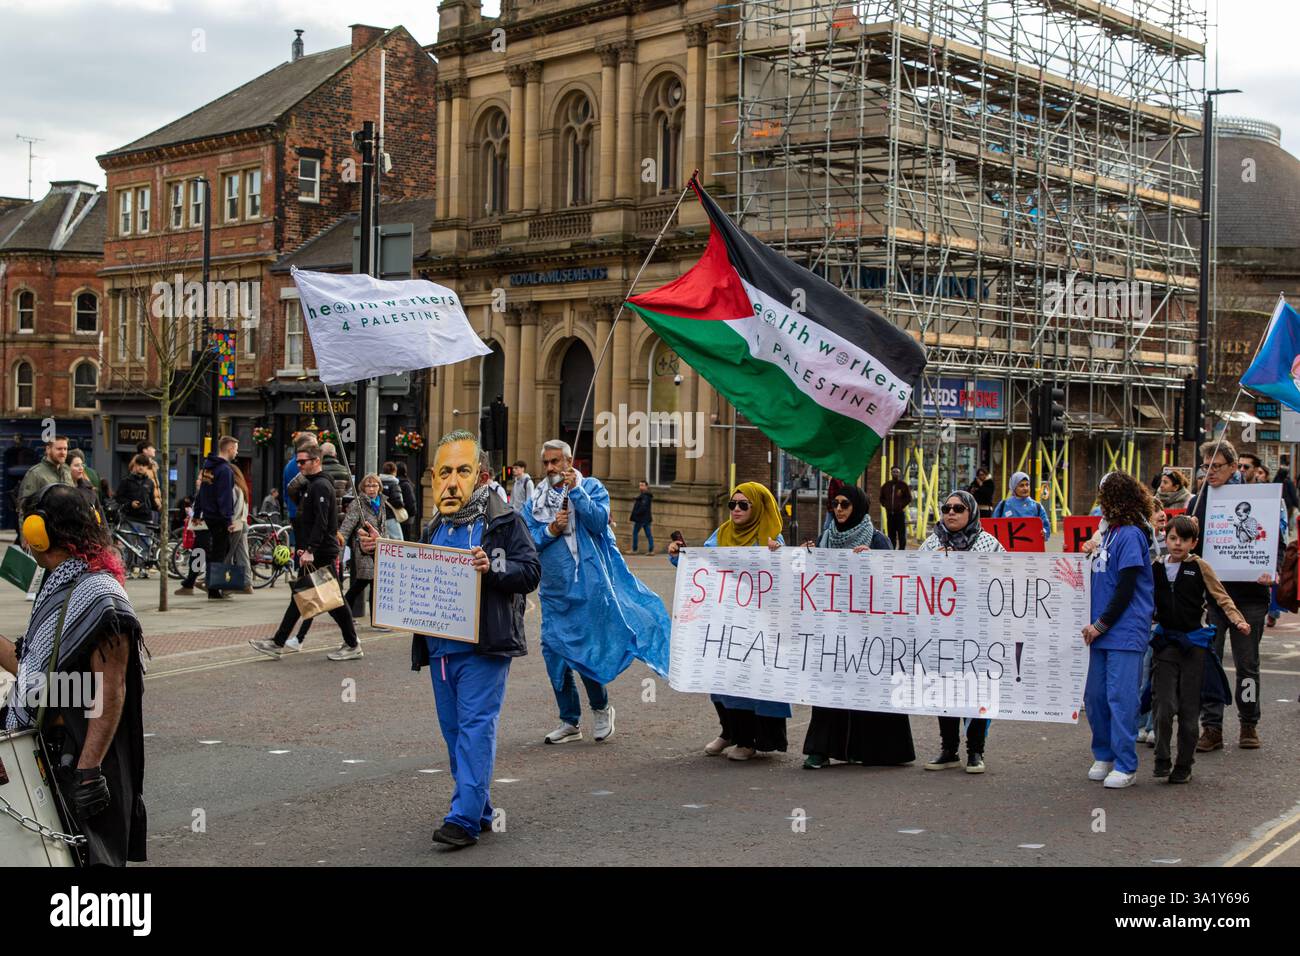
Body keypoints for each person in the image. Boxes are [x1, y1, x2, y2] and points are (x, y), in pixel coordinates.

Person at [354, 430, 540, 848]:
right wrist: (378, 548)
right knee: (455, 732)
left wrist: (492, 568)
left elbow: (530, 572)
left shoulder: (504, 521)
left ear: (482, 475)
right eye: (444, 473)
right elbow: (416, 572)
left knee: (475, 728)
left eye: (462, 471)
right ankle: (482, 808)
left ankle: (463, 819)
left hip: (484, 646)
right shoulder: (436, 524)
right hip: (440, 648)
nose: (451, 482)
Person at [0, 483, 147, 865]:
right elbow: (38, 672)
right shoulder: (60, 583)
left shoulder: (100, 595)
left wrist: (87, 769)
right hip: (44, 749)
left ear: (40, 532)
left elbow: (110, 688)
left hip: (74, 754)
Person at [523, 439, 671, 745]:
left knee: (584, 653)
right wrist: (551, 530)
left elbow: (599, 521)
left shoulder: (590, 487)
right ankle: (569, 721)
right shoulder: (534, 501)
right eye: (546, 463)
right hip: (553, 593)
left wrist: (576, 491)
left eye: (555, 462)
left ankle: (601, 708)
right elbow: (528, 543)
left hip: (589, 589)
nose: (550, 468)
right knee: (554, 655)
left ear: (568, 460)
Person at [668, 481, 791, 760]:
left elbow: (785, 577)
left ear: (758, 507)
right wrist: (680, 556)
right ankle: (729, 732)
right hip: (724, 621)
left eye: (743, 505)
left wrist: (777, 557)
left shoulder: (771, 540)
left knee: (751, 682)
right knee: (721, 679)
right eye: (732, 504)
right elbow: (703, 565)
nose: (735, 509)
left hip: (757, 625)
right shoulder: (722, 533)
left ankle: (750, 741)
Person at [799, 485, 915, 770]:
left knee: (869, 687)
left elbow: (894, 584)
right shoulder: (825, 539)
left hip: (869, 632)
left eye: (845, 505)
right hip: (832, 630)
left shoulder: (877, 541)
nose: (838, 509)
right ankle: (821, 749)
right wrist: (797, 558)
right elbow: (804, 581)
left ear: (858, 508)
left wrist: (873, 564)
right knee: (828, 688)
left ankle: (873, 749)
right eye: (835, 504)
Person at [1186, 439, 1273, 752]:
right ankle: (1212, 727)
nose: (1210, 472)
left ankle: (1249, 723)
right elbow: (1182, 545)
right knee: (1210, 663)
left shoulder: (1258, 498)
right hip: (1213, 596)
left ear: (1234, 467)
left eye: (1217, 466)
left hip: (1250, 596)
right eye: (1206, 466)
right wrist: (1189, 531)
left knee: (1247, 666)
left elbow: (1272, 544)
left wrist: (1270, 570)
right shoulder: (1198, 502)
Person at [1150, 515, 1247, 783]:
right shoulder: (1155, 567)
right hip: (1166, 644)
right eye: (1172, 538)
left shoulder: (1200, 567)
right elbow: (1142, 600)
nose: (1177, 543)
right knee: (1164, 707)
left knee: (1190, 712)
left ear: (1194, 542)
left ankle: (1184, 765)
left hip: (1194, 645)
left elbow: (1221, 597)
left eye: (1183, 539)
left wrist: (1237, 619)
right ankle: (1161, 757)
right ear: (1165, 539)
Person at [917, 489, 1005, 773]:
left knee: (977, 689)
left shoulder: (989, 545)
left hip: (979, 632)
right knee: (945, 688)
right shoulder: (931, 545)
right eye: (946, 508)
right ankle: (949, 748)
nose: (951, 513)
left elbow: (1006, 579)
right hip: (942, 632)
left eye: (958, 508)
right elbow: (910, 577)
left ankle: (976, 751)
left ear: (971, 513)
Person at [249, 442, 361, 661]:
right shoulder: (311, 484)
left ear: (317, 461)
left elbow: (321, 521)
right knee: (309, 597)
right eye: (297, 461)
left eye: (303, 462)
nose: (298, 465)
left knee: (331, 600)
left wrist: (310, 549)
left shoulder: (320, 486)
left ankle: (351, 643)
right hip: (317, 551)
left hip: (320, 552)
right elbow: (292, 493)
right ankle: (279, 642)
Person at [1082, 472, 1156, 789]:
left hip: (1122, 628)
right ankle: (1105, 753)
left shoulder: (1130, 535)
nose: (1099, 502)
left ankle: (1126, 764)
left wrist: (1101, 624)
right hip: (1099, 630)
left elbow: (1126, 588)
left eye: (1103, 496)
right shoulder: (1107, 533)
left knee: (1120, 697)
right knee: (1095, 696)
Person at [192, 436, 239, 600]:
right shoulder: (225, 470)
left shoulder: (208, 467)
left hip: (209, 515)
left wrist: (197, 512)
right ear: (230, 448)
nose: (237, 452)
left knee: (215, 552)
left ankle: (212, 585)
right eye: (236, 448)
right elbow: (225, 497)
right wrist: (229, 520)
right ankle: (214, 589)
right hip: (219, 517)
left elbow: (202, 492)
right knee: (220, 552)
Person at [993, 470, 1051, 541]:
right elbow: (993, 527)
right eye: (1021, 485)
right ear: (1014, 487)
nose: (1025, 488)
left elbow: (1046, 527)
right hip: (1007, 550)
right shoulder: (1003, 505)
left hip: (1030, 550)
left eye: (1027, 484)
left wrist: (1044, 532)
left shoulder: (1037, 506)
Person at [283, 431, 317, 520]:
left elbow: (286, 494)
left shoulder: (290, 464)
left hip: (295, 512)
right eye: (313, 446)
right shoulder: (300, 464)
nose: (316, 448)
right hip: (303, 514)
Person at [230, 466, 253, 594]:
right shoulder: (243, 488)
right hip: (242, 522)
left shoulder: (234, 488)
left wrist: (230, 521)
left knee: (228, 554)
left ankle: (225, 583)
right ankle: (246, 583)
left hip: (236, 524)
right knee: (243, 553)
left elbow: (234, 508)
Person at [879, 467, 912, 550]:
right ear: (891, 473)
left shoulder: (903, 485)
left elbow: (909, 498)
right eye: (894, 472)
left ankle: (901, 549)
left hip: (900, 513)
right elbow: (881, 498)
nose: (895, 473)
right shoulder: (886, 485)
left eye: (897, 472)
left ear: (899, 474)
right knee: (891, 534)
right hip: (890, 514)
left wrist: (901, 505)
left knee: (901, 533)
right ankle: (892, 549)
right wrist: (886, 505)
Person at [394, 461, 419, 538]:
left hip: (396, 516)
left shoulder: (396, 483)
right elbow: (411, 501)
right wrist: (412, 513)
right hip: (405, 516)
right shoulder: (406, 484)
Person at [630, 480, 655, 554]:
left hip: (641, 519)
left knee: (635, 533)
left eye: (642, 485)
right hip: (645, 519)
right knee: (648, 534)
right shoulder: (643, 495)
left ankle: (635, 549)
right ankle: (651, 550)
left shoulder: (645, 496)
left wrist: (636, 514)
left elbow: (643, 507)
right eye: (640, 485)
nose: (640, 487)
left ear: (647, 486)